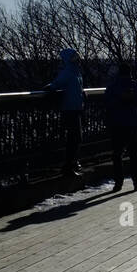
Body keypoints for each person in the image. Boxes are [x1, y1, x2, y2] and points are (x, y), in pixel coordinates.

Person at [104, 63, 137, 191]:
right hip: (132, 123)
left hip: (117, 124)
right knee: (133, 153)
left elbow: (106, 102)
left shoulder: (112, 86)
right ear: (130, 73)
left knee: (117, 154)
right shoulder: (136, 86)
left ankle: (118, 183)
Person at [44, 48, 85, 176]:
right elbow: (58, 83)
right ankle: (69, 166)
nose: (77, 59)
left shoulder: (74, 71)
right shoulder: (70, 72)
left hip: (75, 107)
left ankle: (70, 165)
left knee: (75, 138)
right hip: (71, 108)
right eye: (74, 57)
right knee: (75, 138)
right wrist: (51, 87)